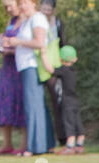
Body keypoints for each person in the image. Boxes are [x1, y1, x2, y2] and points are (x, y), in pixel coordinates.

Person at [1, 0, 49, 155]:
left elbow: (39, 42)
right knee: (33, 107)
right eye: (20, 4)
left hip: (31, 65)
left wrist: (17, 41)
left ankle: (35, 147)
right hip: (24, 66)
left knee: (33, 108)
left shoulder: (37, 18)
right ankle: (40, 144)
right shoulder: (29, 20)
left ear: (33, 3)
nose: (22, 7)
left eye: (24, 3)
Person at [0, 0, 24, 155]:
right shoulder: (11, 21)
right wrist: (2, 41)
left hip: (19, 67)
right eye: (5, 7)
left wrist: (11, 49)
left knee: (20, 102)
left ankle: (24, 144)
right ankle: (7, 144)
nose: (8, 9)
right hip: (7, 67)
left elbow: (27, 44)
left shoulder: (26, 21)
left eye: (10, 6)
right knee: (4, 101)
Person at [38, 0, 63, 147]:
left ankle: (62, 137)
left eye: (49, 9)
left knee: (58, 102)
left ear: (53, 10)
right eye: (44, 8)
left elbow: (62, 42)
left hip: (55, 67)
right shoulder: (36, 23)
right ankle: (45, 137)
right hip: (40, 66)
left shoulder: (57, 23)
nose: (46, 11)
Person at [54, 41, 79, 153]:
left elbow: (51, 70)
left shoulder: (63, 71)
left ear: (60, 59)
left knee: (68, 122)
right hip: (75, 100)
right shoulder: (73, 71)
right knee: (77, 121)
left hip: (66, 101)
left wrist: (44, 54)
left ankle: (70, 146)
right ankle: (80, 144)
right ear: (75, 59)